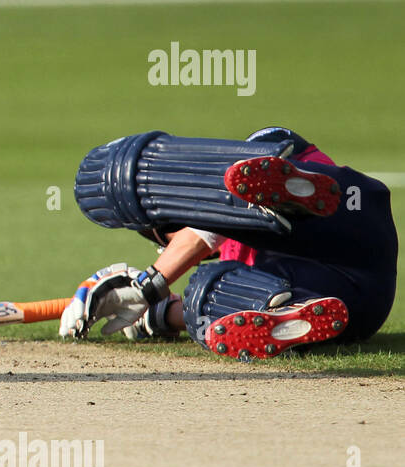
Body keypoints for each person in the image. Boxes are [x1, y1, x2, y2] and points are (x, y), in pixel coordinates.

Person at [58, 127, 396, 360]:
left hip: (344, 212)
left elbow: (204, 229)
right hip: (350, 297)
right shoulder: (237, 259)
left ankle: (291, 197)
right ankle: (288, 314)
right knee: (210, 290)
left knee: (111, 179)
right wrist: (156, 316)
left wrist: (147, 285)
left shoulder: (242, 187)